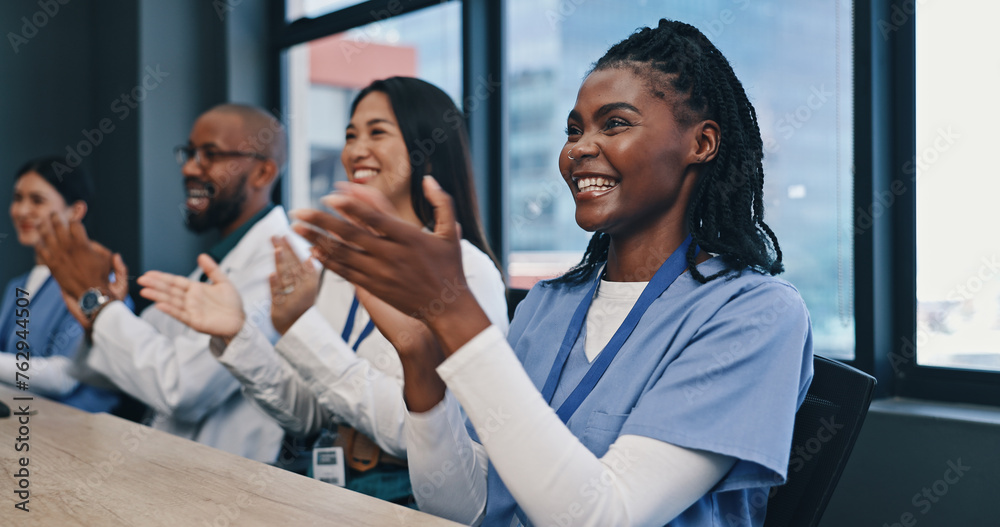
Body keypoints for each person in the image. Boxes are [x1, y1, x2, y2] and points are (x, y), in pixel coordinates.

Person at [292, 20, 814, 526]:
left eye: (615, 123)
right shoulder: (548, 303)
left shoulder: (756, 313)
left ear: (701, 143)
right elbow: (460, 508)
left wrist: (458, 320)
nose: (579, 148)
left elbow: (604, 517)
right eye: (573, 129)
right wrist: (420, 365)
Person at [135, 77, 508, 503]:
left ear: (426, 144)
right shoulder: (342, 265)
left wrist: (302, 330)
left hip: (408, 494)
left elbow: (424, 431)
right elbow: (308, 415)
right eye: (350, 135)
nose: (355, 149)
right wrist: (237, 335)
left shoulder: (467, 272)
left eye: (377, 132)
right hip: (321, 481)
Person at [35, 104, 310, 463]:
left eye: (210, 154)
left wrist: (99, 305)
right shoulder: (216, 263)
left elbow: (181, 389)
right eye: (190, 153)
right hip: (173, 475)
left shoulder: (281, 266)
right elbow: (95, 371)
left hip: (225, 491)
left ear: (262, 172)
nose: (190, 168)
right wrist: (95, 321)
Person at [0, 158, 123, 413]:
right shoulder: (17, 286)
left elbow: (64, 378)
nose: (22, 211)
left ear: (76, 211)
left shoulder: (99, 283)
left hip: (79, 434)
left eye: (37, 200)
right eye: (18, 198)